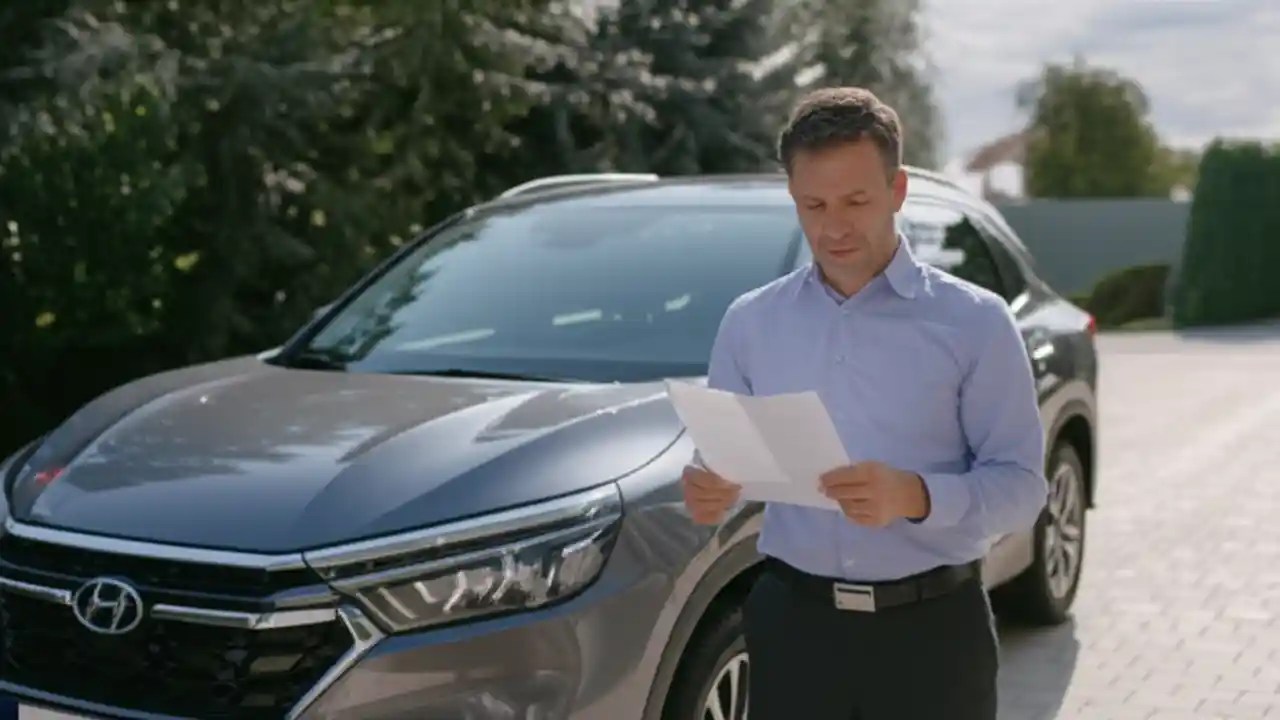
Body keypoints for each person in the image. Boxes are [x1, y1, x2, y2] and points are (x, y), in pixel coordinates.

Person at [680, 87, 1048, 719]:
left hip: (933, 635)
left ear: (898, 190)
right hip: (794, 629)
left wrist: (915, 496)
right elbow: (725, 460)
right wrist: (710, 489)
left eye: (856, 200)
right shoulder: (751, 323)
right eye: (813, 204)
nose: (833, 225)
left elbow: (1022, 487)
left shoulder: (975, 322)